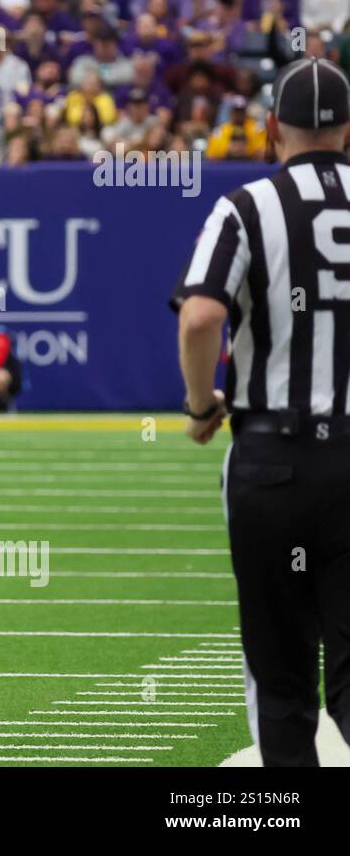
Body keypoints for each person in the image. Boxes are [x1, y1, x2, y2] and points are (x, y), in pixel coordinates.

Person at [173, 57, 350, 767]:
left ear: (272, 127)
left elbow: (199, 318)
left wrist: (199, 404)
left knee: (280, 681)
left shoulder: (247, 206)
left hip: (271, 457)